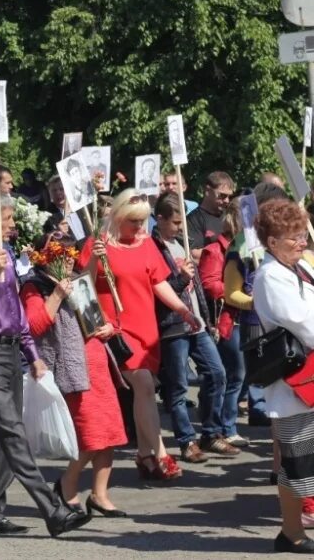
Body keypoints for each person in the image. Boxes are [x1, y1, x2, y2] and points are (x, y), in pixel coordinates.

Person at [0, 192, 89, 537]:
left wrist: (32, 354)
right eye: (8, 220)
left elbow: (14, 310)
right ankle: (53, 509)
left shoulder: (8, 255)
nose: (12, 226)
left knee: (4, 435)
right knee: (13, 431)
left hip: (11, 350)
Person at [78, 190, 202, 481]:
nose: (140, 228)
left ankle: (144, 455)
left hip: (146, 327)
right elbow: (81, 285)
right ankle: (159, 453)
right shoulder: (98, 244)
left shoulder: (146, 244)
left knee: (144, 391)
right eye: (134, 221)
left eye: (143, 221)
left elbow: (158, 282)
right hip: (114, 329)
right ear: (118, 216)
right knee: (144, 385)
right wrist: (95, 261)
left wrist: (183, 310)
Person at [21, 231, 127, 517]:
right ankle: (66, 487)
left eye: (70, 254)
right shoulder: (34, 286)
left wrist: (108, 328)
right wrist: (57, 294)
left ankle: (99, 494)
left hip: (98, 365)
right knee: (90, 435)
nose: (68, 260)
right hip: (72, 369)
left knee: (110, 431)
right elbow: (33, 326)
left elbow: (95, 318)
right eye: (61, 254)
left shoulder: (79, 280)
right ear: (46, 257)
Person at [152, 193, 237, 461]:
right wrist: (180, 279)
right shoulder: (154, 249)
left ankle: (210, 433)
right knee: (177, 387)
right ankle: (187, 440)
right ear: (160, 218)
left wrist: (206, 319)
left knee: (217, 374)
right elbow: (158, 291)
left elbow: (197, 287)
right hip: (173, 325)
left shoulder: (181, 244)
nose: (180, 227)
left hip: (196, 324)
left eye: (182, 222)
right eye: (175, 222)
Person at [251, 198, 314, 553]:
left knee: (297, 464)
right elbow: (306, 324)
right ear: (272, 242)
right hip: (298, 381)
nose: (302, 242)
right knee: (298, 462)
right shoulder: (271, 276)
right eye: (293, 237)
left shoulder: (300, 268)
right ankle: (291, 533)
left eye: (303, 234)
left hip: (308, 378)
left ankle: (290, 533)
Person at [198, 198, 248, 448]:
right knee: (233, 374)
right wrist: (237, 290)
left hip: (242, 317)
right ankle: (225, 427)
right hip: (227, 319)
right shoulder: (215, 250)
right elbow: (209, 284)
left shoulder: (247, 249)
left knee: (236, 374)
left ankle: (223, 424)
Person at [186, 171, 235, 260]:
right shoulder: (193, 219)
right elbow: (194, 254)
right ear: (208, 191)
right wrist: (228, 251)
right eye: (222, 195)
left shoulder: (230, 216)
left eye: (229, 197)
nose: (227, 200)